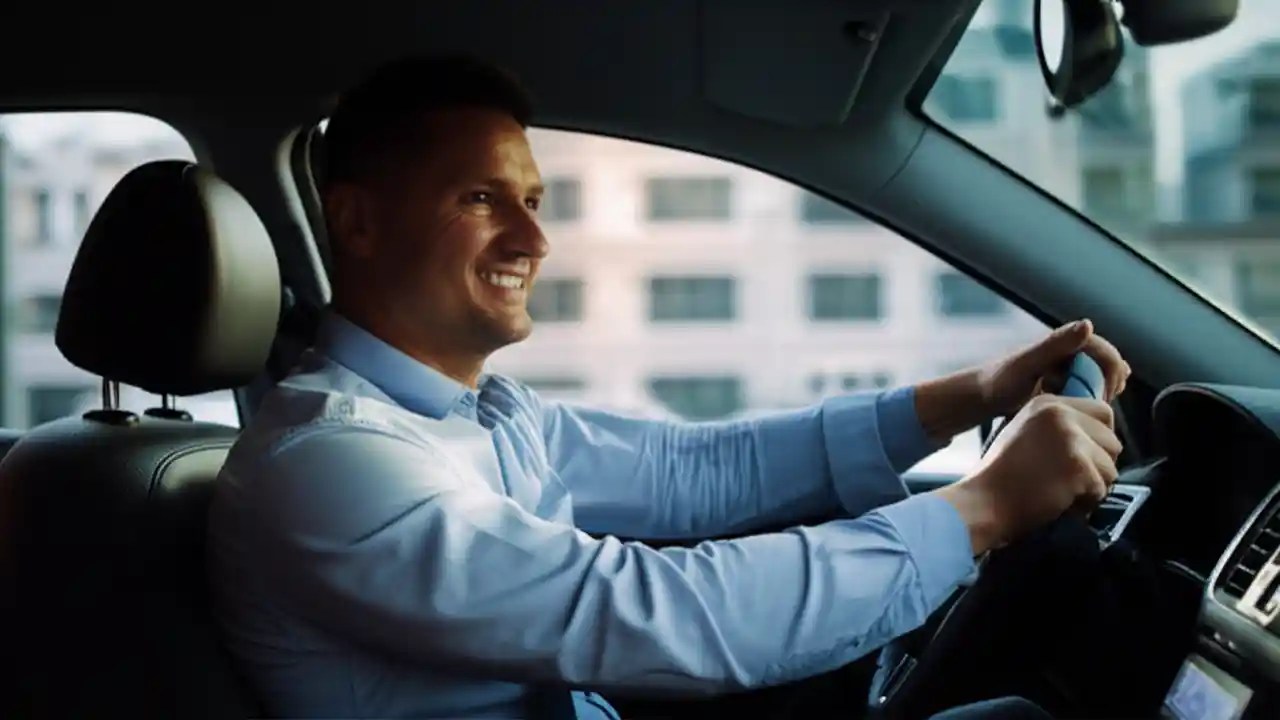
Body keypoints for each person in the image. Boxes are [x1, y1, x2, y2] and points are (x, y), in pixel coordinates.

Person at [206, 54, 1129, 720]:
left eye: (532, 201)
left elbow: (702, 468)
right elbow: (654, 612)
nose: (533, 242)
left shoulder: (479, 413)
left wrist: (975, 392)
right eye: (480, 199)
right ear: (359, 223)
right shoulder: (326, 462)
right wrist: (987, 507)